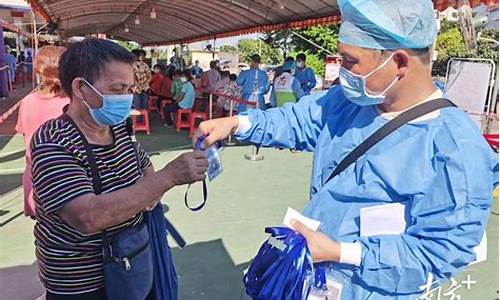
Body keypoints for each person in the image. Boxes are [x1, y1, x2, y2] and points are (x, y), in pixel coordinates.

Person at [194, 0, 499, 299]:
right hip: (314, 278)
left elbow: (441, 252)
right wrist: (238, 123)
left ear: (400, 62)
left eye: (350, 62)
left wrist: (342, 252)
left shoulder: (455, 147)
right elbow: (298, 120)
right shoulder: (350, 102)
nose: (342, 74)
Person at [31, 38, 208, 299]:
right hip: (83, 283)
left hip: (132, 263)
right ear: (81, 88)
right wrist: (167, 178)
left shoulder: (118, 128)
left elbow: (143, 163)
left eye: (129, 89)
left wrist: (148, 192)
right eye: (117, 89)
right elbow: (88, 217)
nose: (127, 98)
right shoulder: (53, 141)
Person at [15, 45, 70, 218]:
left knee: (44, 234)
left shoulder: (27, 101)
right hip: (67, 178)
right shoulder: (72, 102)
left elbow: (26, 138)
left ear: (39, 70)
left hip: (35, 177)